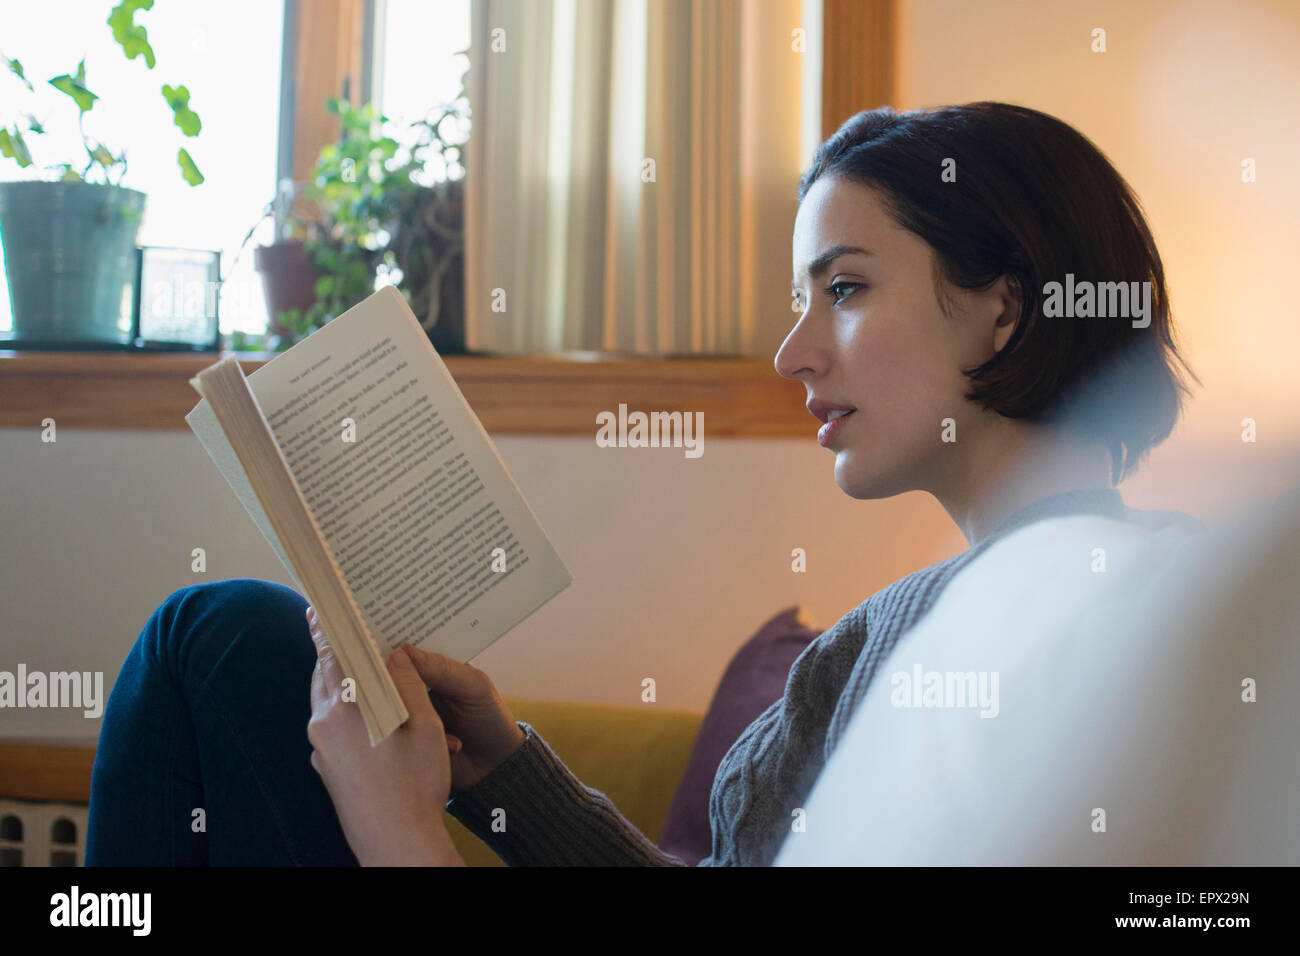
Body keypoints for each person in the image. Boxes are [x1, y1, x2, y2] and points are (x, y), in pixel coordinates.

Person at [86, 102, 1203, 866]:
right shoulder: (987, 614)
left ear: (1004, 307)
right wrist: (509, 774)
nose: (792, 354)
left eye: (846, 288)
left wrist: (404, 837)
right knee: (235, 634)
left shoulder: (1056, 635)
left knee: (214, 635)